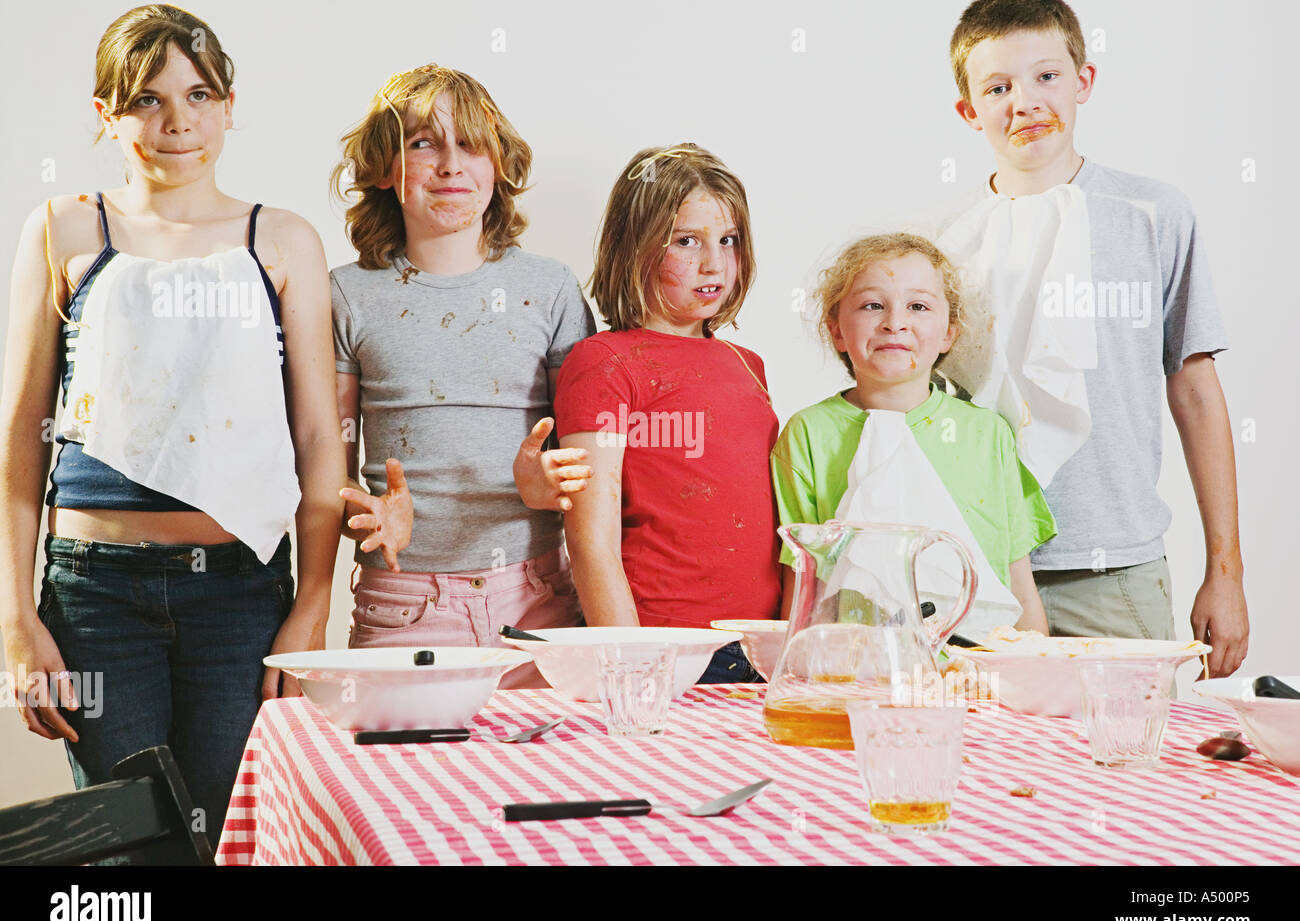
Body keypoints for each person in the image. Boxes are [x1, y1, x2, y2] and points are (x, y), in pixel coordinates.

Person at [0, 4, 344, 840]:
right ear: (105, 115)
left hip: (240, 595)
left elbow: (317, 441)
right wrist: (17, 620)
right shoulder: (63, 229)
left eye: (199, 94)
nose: (177, 121)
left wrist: (312, 606)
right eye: (146, 100)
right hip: (93, 593)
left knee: (230, 830)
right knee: (131, 839)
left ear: (229, 104)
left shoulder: (283, 239)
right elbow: (19, 440)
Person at [940, 0, 1247, 674]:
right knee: (994, 776)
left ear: (1084, 81)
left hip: (1120, 568)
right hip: (982, 571)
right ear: (969, 110)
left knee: (1132, 768)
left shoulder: (1153, 214)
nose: (1025, 102)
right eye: (998, 88)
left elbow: (1195, 390)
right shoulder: (945, 248)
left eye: (1046, 76)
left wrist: (1225, 570)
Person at [330, 65, 594, 685]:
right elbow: (330, 471)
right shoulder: (346, 293)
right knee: (407, 780)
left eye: (470, 144)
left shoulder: (551, 289)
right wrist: (363, 516)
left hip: (539, 601)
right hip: (405, 606)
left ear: (498, 165)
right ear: (385, 167)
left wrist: (547, 482)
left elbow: (585, 463)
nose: (450, 165)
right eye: (423, 143)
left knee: (549, 779)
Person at [554, 144, 780, 683]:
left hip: (760, 647)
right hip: (665, 650)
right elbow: (591, 540)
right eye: (686, 242)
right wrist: (633, 667)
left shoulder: (748, 364)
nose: (714, 263)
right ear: (635, 249)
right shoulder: (602, 362)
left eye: (728, 241)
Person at [772, 234, 1054, 632]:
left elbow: (1019, 585)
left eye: (918, 306)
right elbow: (803, 589)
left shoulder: (986, 433)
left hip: (978, 665)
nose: (895, 323)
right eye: (873, 305)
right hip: (855, 667)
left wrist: (1035, 671)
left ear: (949, 334)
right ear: (836, 329)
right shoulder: (809, 434)